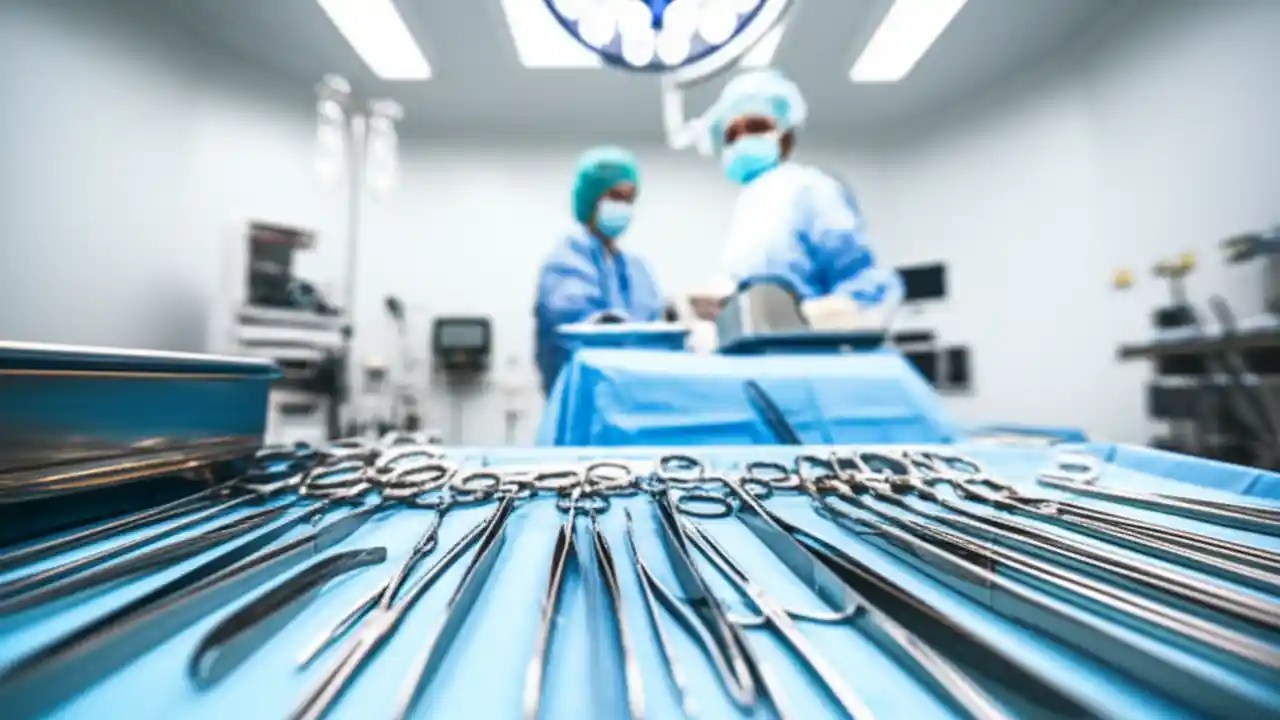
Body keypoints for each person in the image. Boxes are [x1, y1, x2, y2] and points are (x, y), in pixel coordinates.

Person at [700, 69, 903, 329]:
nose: (742, 139)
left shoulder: (809, 189)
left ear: (785, 134)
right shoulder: (749, 204)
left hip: (809, 353)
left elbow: (863, 286)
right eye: (732, 134)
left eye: (755, 127)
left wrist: (807, 319)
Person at [534, 145, 664, 393]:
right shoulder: (566, 261)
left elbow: (651, 326)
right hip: (585, 396)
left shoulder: (635, 267)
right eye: (615, 197)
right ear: (590, 200)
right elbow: (575, 332)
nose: (623, 207)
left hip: (633, 396)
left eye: (629, 199)